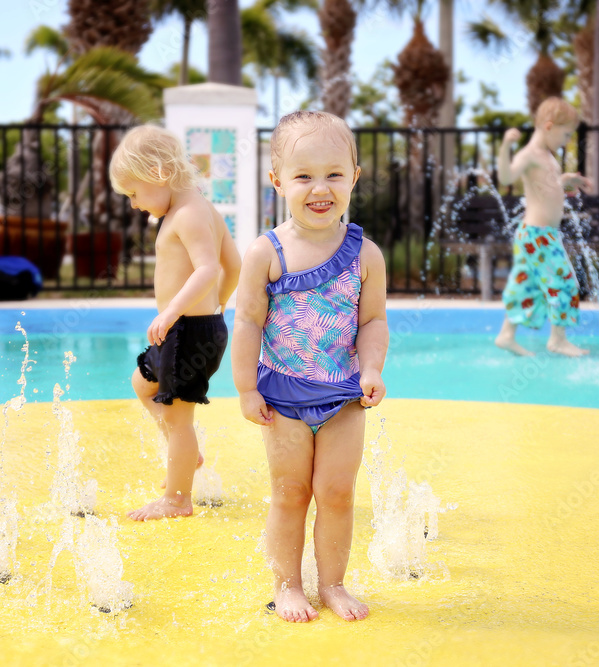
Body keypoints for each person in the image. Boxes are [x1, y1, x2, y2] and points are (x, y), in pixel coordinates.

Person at [232, 111, 389, 623]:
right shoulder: (266, 252)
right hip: (284, 397)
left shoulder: (366, 254)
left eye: (333, 174)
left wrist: (371, 368)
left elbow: (372, 322)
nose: (319, 188)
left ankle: (334, 584)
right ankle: (287, 585)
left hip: (344, 395)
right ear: (277, 181)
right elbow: (249, 323)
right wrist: (246, 388)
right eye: (303, 176)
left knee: (337, 492)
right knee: (291, 492)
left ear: (354, 177)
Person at [110, 124, 241, 520]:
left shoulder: (187, 215)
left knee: (179, 417)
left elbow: (207, 268)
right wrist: (219, 305)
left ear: (159, 174)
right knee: (142, 383)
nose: (133, 204)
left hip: (186, 332)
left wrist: (172, 312)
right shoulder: (200, 209)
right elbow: (232, 264)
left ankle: (177, 499)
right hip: (192, 328)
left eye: (134, 193)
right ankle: (185, 455)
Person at [494, 97, 593, 358]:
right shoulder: (528, 155)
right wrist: (505, 146)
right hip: (538, 235)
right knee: (565, 282)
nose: (567, 141)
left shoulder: (547, 157)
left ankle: (506, 335)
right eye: (566, 134)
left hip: (536, 236)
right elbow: (506, 177)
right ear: (549, 126)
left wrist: (564, 181)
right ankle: (558, 340)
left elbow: (546, 188)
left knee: (526, 285)